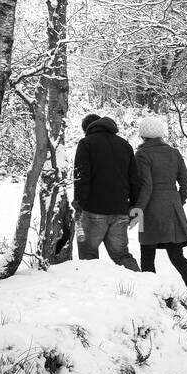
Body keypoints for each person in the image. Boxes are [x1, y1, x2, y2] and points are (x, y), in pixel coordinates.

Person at [134, 114, 187, 310]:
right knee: (176, 255)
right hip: (173, 207)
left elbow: (146, 186)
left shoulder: (141, 155)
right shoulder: (174, 153)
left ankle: (154, 299)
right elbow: (186, 183)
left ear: (143, 136)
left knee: (147, 254)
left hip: (149, 207)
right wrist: (178, 201)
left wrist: (137, 209)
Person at [72, 112, 143, 269]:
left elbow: (82, 176)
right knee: (122, 255)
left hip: (93, 210)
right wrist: (132, 205)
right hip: (120, 211)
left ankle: (91, 290)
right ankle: (139, 287)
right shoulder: (125, 145)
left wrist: (79, 204)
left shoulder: (86, 143)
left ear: (87, 129)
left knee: (88, 256)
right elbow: (134, 180)